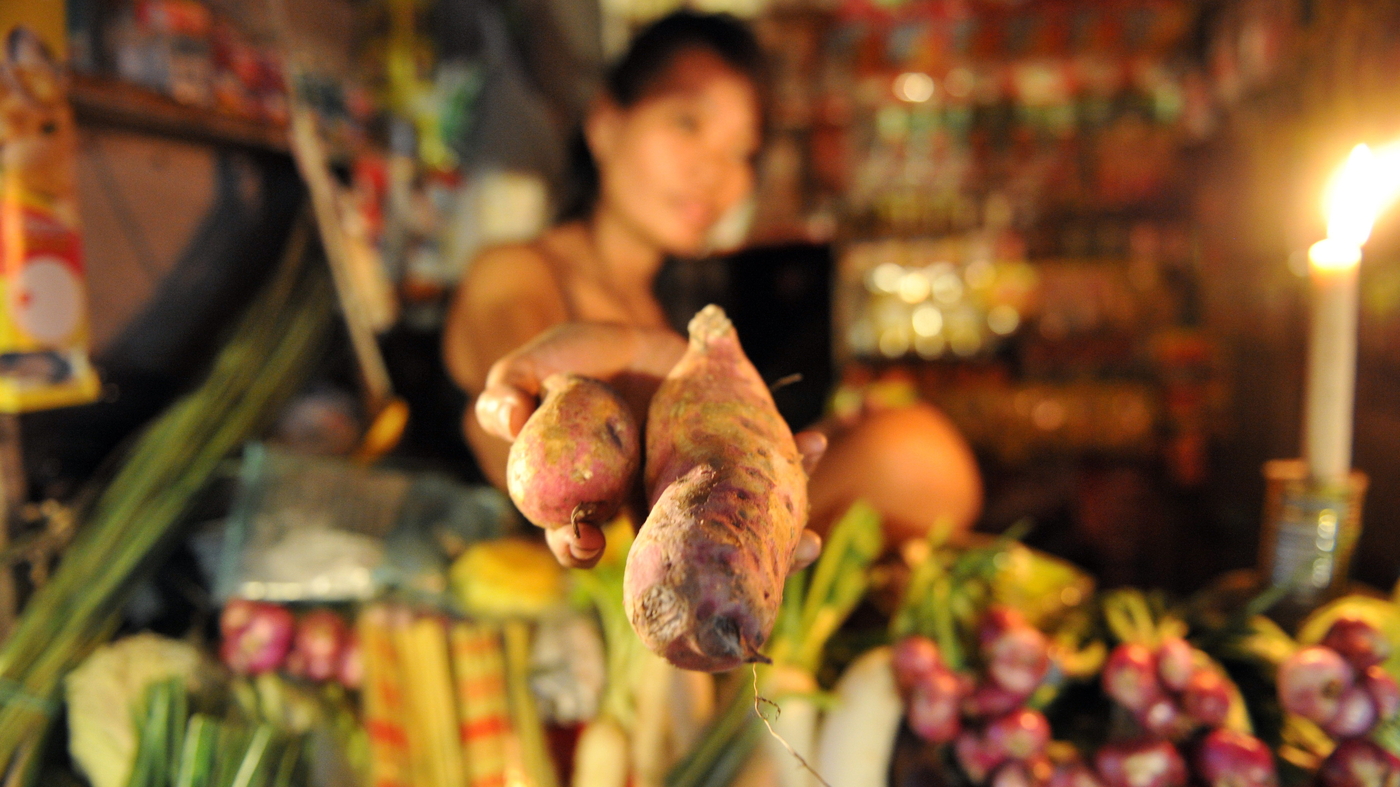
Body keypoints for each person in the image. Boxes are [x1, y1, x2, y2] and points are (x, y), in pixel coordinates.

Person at [443, 11, 981, 570]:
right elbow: (516, 420)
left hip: (663, 573)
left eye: (740, 152)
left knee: (913, 450)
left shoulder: (661, 312)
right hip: (525, 599)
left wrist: (786, 442)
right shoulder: (515, 271)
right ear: (605, 123)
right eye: (687, 123)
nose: (713, 171)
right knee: (910, 455)